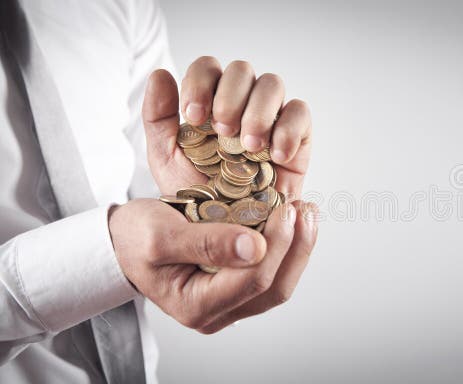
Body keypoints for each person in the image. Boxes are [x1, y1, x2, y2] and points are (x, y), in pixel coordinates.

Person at [0, 0, 319, 382]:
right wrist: (107, 256)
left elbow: (162, 205)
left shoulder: (122, 7)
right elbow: (123, 249)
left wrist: (228, 207)